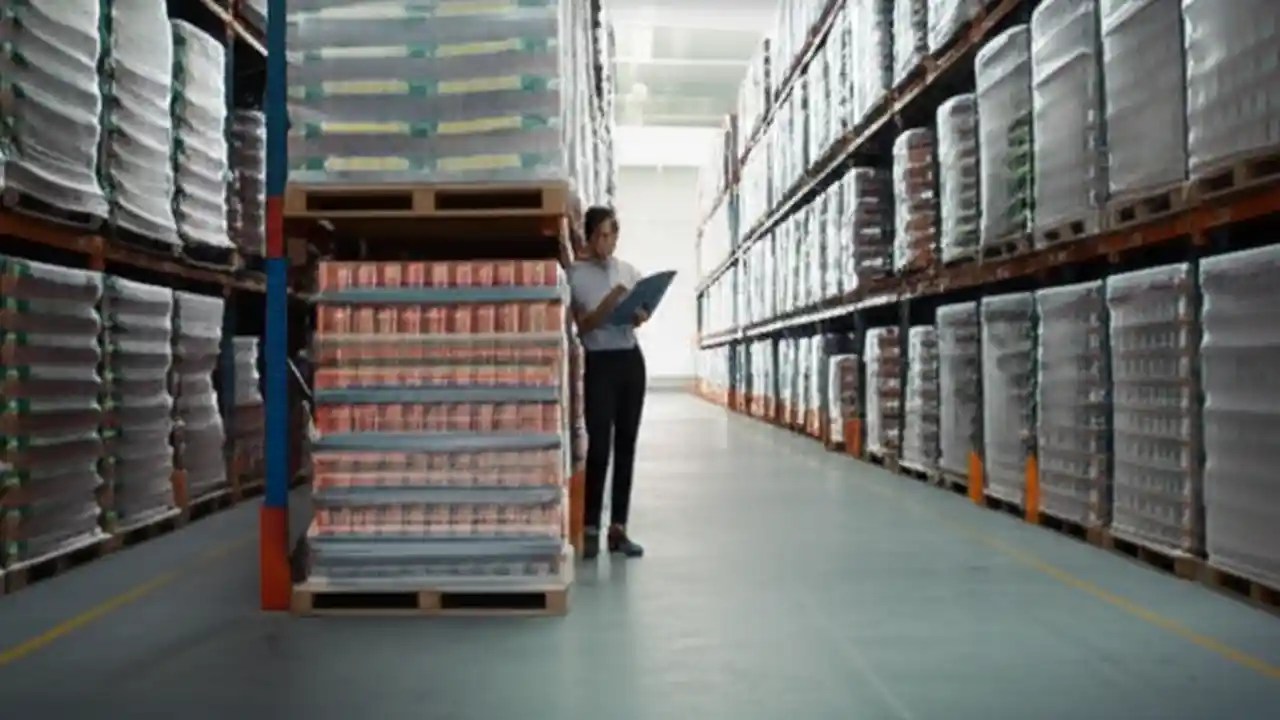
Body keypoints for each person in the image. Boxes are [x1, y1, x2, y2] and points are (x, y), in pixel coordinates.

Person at [568, 206, 647, 560]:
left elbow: (638, 313)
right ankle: (589, 528)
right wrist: (608, 305)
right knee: (600, 445)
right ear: (588, 236)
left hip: (630, 360)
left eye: (612, 234)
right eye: (600, 234)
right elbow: (581, 328)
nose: (607, 242)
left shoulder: (628, 271)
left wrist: (640, 314)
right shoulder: (574, 275)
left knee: (627, 444)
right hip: (599, 363)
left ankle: (619, 528)